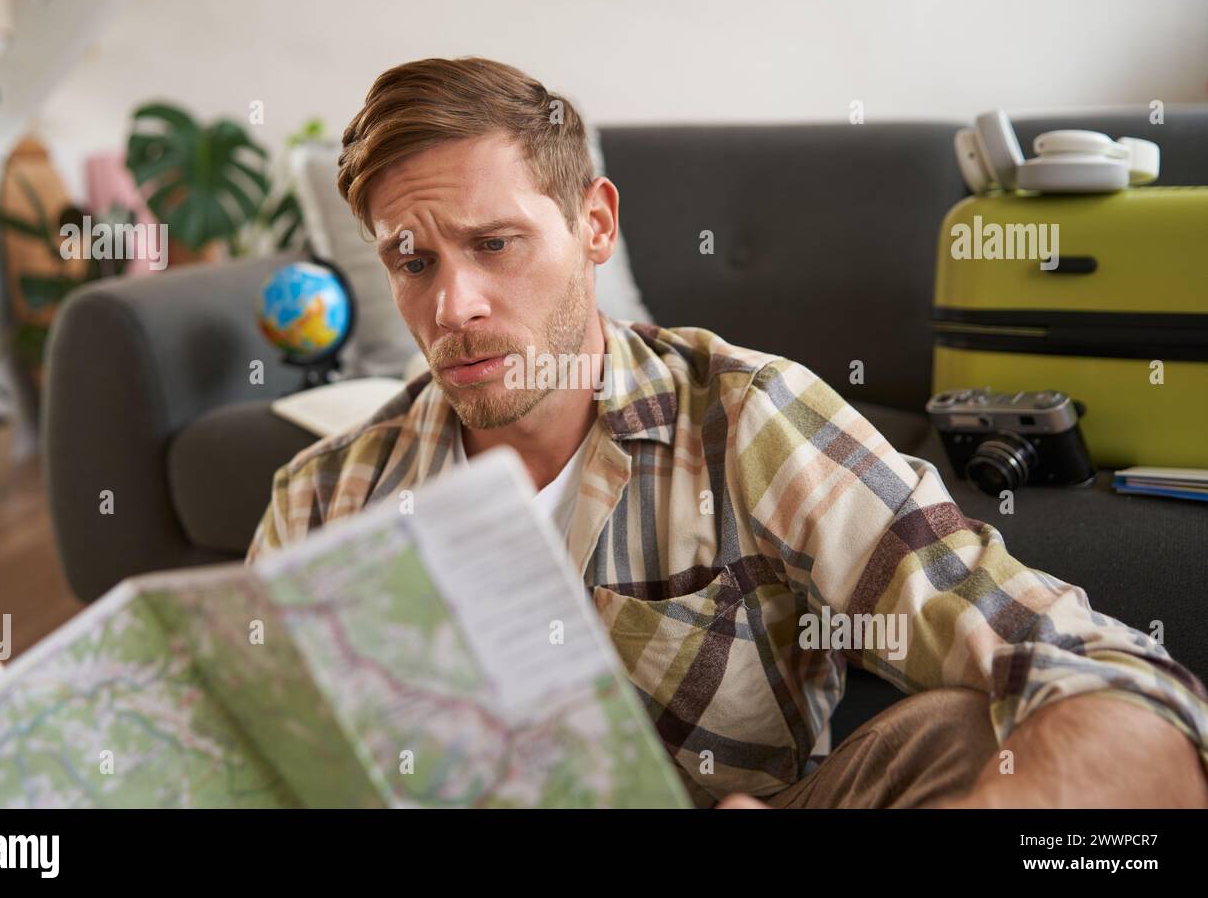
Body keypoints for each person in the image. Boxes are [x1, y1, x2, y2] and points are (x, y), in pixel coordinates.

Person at [247, 56, 1208, 808]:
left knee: (969, 734)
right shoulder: (322, 498)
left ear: (594, 225)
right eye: (411, 261)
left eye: (495, 244)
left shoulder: (747, 418)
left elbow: (1111, 675)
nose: (452, 304)